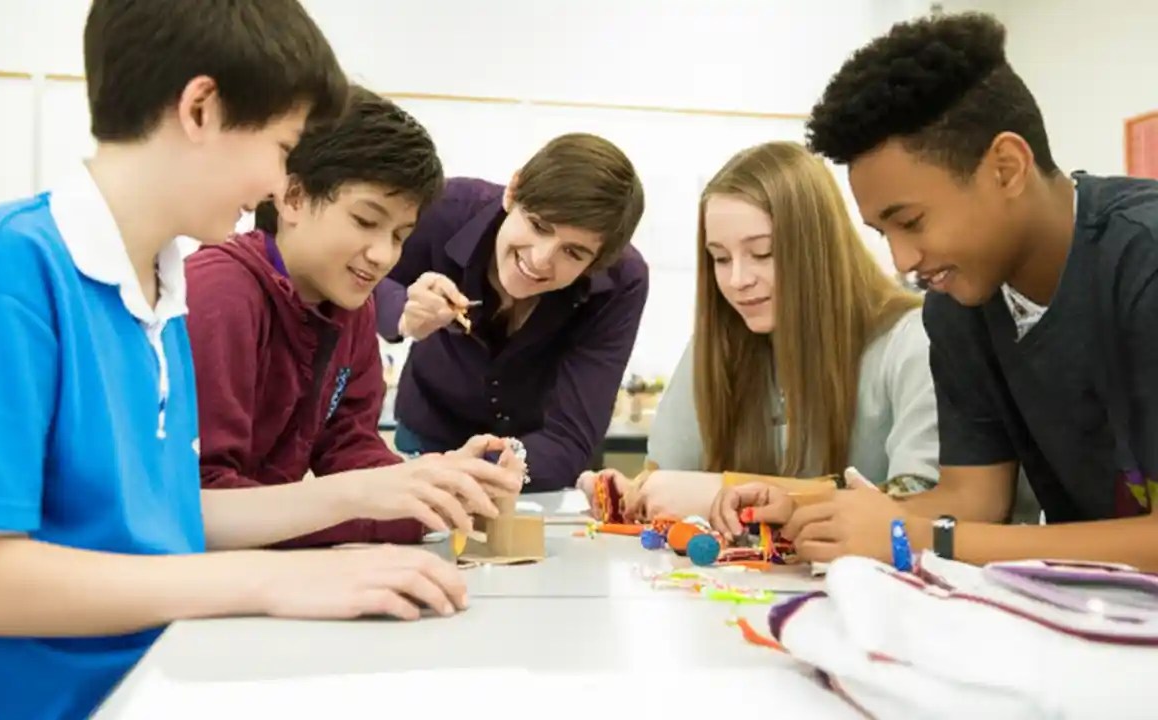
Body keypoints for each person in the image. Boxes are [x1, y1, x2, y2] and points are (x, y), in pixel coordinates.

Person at [0, 4, 501, 718]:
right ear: (201, 109)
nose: (279, 185)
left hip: (170, 673)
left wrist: (372, 496)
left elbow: (172, 517)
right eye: (281, 146)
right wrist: (271, 582)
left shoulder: (158, 295)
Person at [723, 12, 1158, 569]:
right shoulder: (960, 302)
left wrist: (921, 540)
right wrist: (816, 513)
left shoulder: (1143, 262)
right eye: (884, 233)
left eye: (912, 222)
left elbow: (938, 534)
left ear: (1006, 168)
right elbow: (973, 498)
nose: (903, 260)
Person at [186, 86, 522, 546]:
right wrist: (372, 502)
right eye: (365, 221)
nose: (383, 255)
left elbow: (350, 449)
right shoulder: (221, 293)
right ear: (293, 197)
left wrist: (438, 487)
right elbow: (202, 499)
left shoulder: (351, 308)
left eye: (400, 235)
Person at [578, 141, 938, 536]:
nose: (737, 280)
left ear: (817, 248)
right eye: (720, 258)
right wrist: (633, 495)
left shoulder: (912, 341)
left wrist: (728, 490)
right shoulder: (716, 344)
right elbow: (668, 476)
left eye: (762, 253)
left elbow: (922, 509)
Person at [373, 133, 650, 492]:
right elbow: (365, 277)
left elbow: (571, 434)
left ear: (599, 262)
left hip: (537, 463)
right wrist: (403, 312)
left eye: (573, 253)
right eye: (538, 226)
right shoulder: (445, 209)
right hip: (428, 433)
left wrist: (480, 472)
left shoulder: (623, 281)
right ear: (513, 191)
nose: (540, 260)